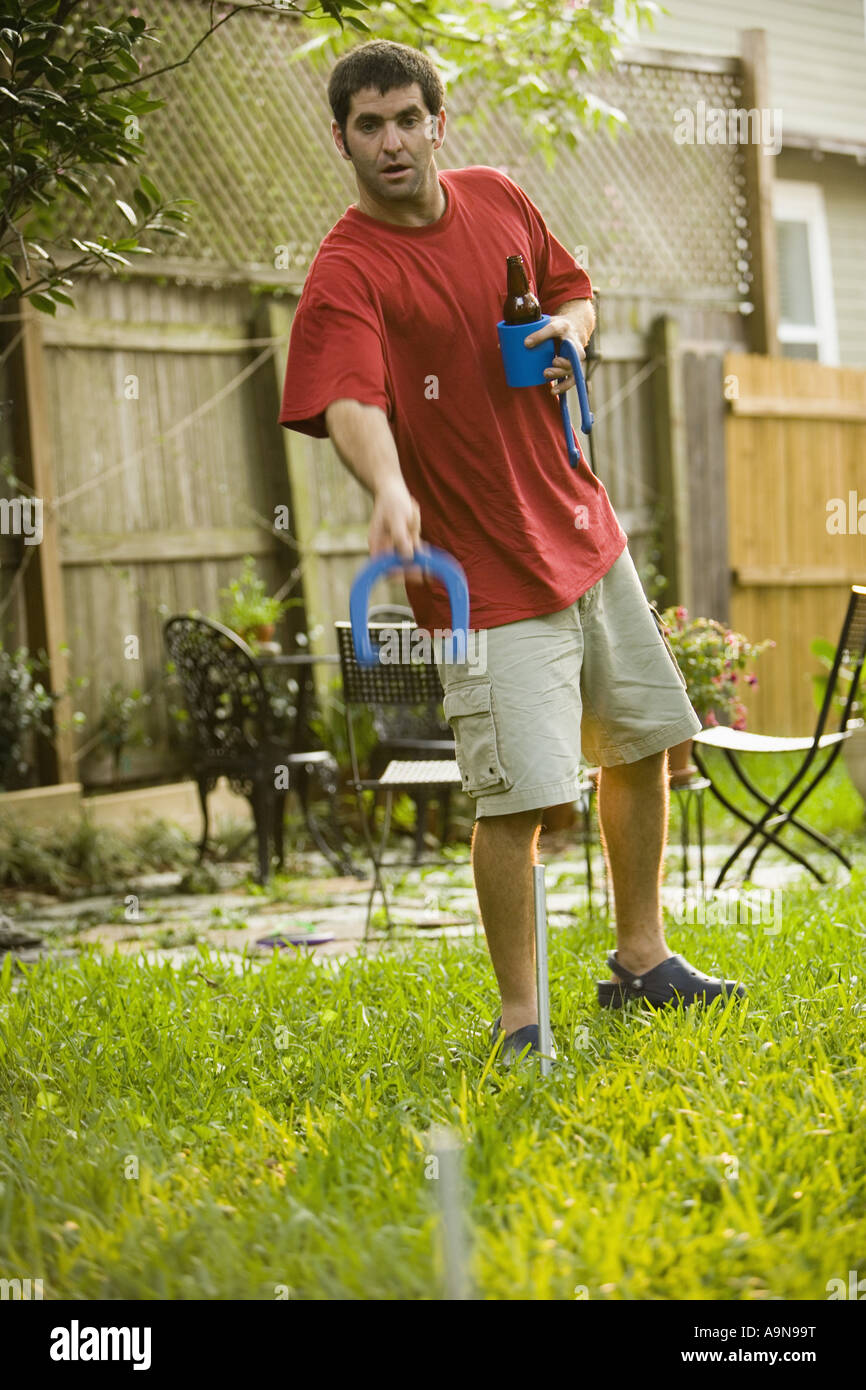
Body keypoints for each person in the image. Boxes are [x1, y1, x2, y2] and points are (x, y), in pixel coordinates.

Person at [279, 39, 745, 1061]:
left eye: (408, 118)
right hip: (481, 575)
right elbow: (350, 397)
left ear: (438, 123)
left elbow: (575, 290)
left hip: (583, 531)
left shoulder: (498, 197)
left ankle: (641, 959)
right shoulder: (348, 269)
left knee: (640, 745)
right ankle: (520, 1020)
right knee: (520, 798)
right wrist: (388, 485)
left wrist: (570, 333)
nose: (393, 141)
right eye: (369, 125)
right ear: (341, 140)